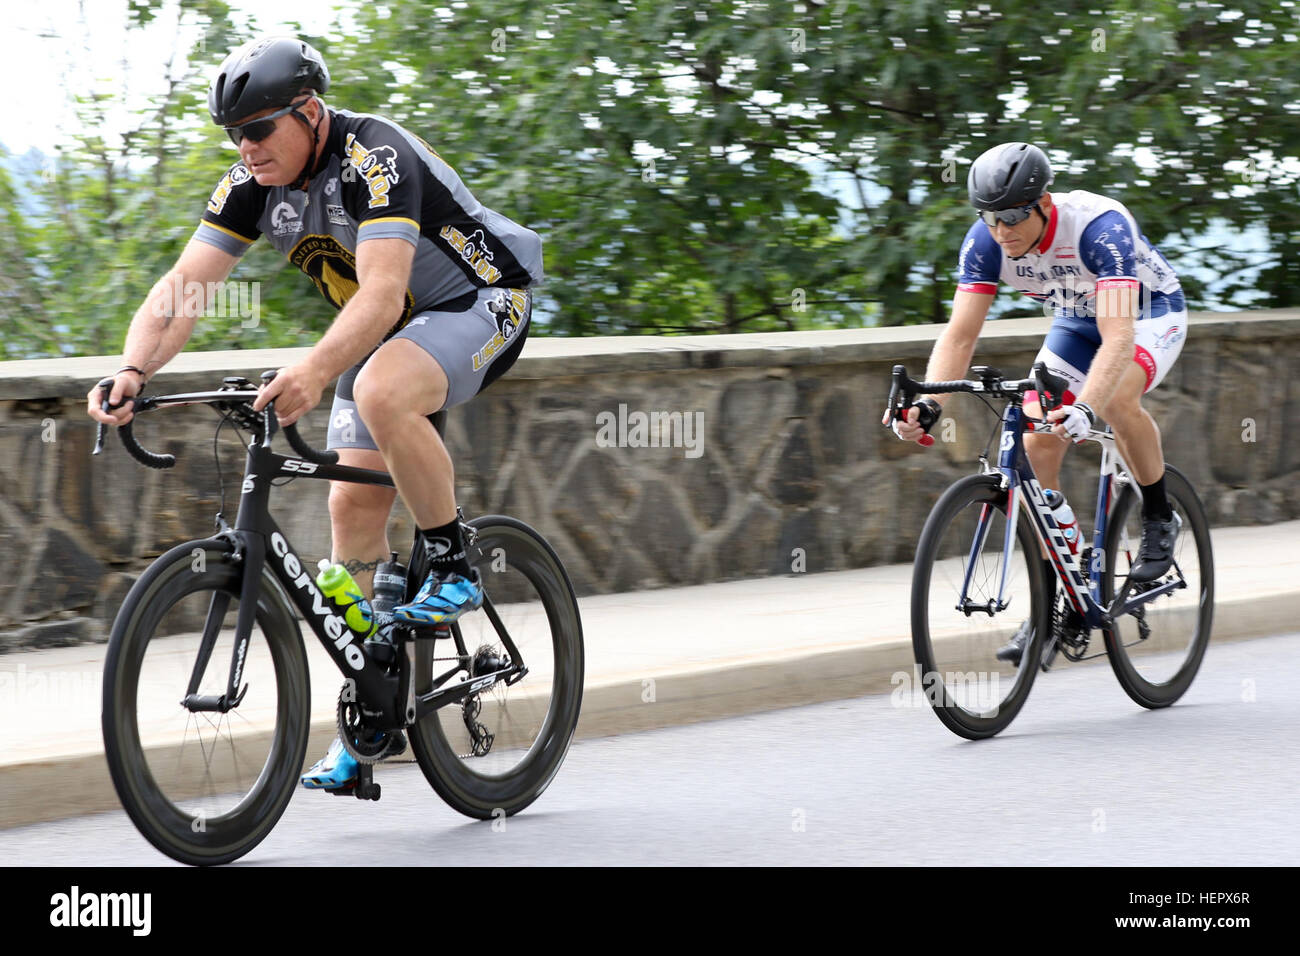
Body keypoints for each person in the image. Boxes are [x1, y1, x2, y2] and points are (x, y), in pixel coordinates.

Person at [85, 36, 543, 788]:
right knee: (351, 514)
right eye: (234, 134)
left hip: (481, 301)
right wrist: (133, 367)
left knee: (379, 389)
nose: (246, 147)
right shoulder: (251, 182)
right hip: (391, 332)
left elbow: (384, 294)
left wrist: (313, 368)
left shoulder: (376, 156)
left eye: (259, 129)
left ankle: (456, 559)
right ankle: (368, 725)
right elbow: (183, 288)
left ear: (309, 112)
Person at [883, 141, 1186, 665]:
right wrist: (929, 404)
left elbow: (1117, 339)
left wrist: (1085, 407)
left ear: (1044, 201)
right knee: (1035, 440)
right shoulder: (987, 242)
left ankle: (1160, 515)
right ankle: (1054, 603)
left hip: (1146, 314)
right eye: (991, 218)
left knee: (1112, 401)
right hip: (1074, 322)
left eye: (1016, 216)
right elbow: (959, 337)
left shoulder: (1098, 227)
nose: (1004, 230)